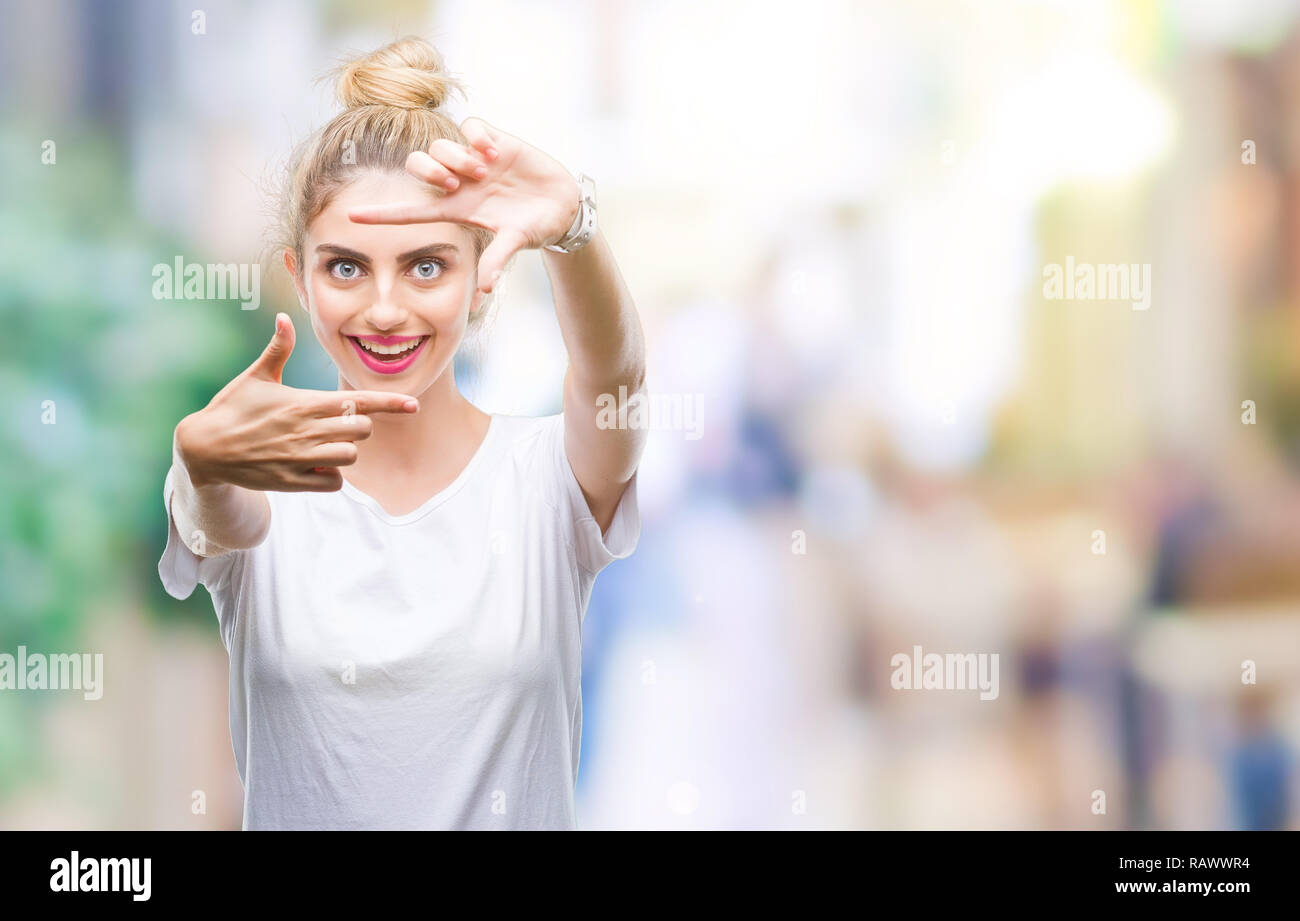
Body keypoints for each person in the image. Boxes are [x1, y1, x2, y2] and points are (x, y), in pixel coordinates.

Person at [157, 36, 646, 830]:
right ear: (301, 276)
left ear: (481, 272)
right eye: (346, 267)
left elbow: (616, 383)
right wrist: (200, 467)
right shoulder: (252, 470)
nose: (385, 309)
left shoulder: (544, 479)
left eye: (426, 265)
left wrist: (575, 232)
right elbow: (225, 518)